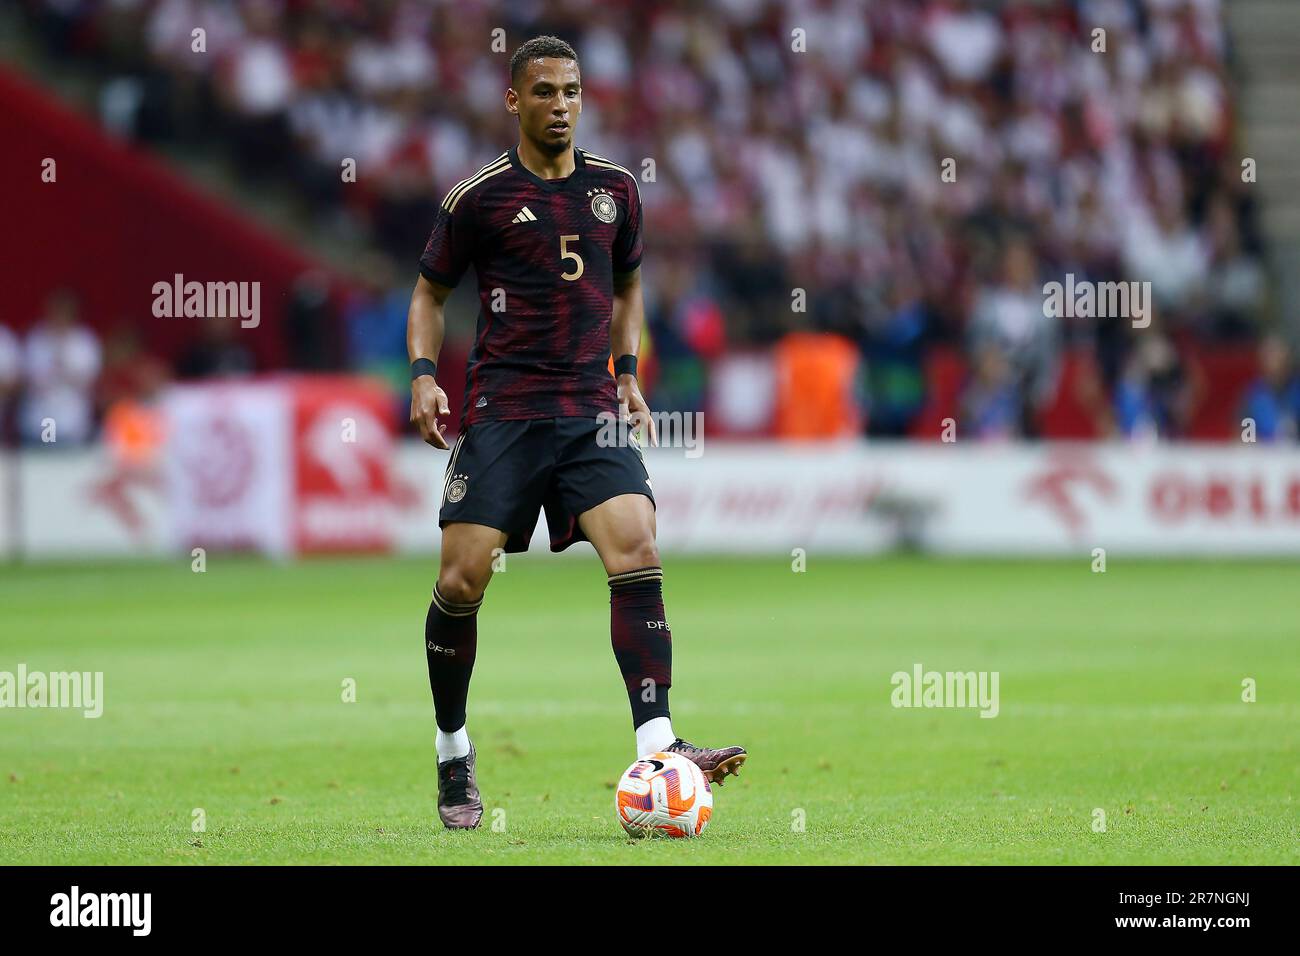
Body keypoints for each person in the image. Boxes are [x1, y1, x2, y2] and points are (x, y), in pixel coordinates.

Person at [405, 36, 746, 830]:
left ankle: (660, 743)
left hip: (589, 408)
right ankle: (453, 750)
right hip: (502, 411)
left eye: (572, 91)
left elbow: (628, 288)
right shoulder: (478, 198)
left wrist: (627, 369)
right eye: (545, 92)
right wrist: (424, 375)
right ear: (514, 102)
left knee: (637, 546)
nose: (561, 104)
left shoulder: (617, 191)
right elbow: (427, 295)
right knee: (461, 582)